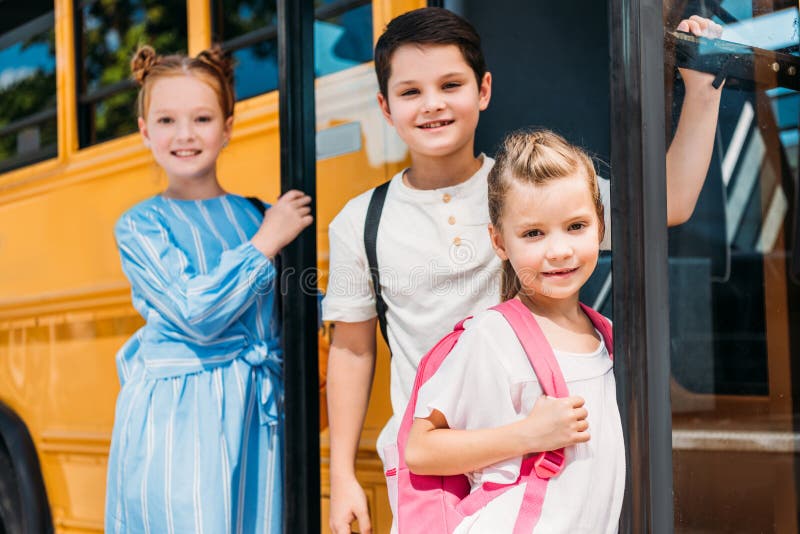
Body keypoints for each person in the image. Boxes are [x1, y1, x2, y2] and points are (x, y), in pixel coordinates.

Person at [324, 8, 722, 533]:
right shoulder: (360, 221)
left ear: (483, 89)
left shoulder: (529, 193)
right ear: (384, 105)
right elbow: (352, 350)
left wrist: (703, 90)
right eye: (410, 92)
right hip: (439, 472)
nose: (433, 104)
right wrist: (345, 473)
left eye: (451, 84)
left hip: (545, 465)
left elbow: (665, 203)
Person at [105, 45, 312, 533]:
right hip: (180, 419)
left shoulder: (260, 213)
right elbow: (195, 312)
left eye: (201, 118)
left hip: (256, 410)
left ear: (228, 127)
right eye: (166, 120)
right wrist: (265, 244)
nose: (184, 135)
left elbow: (294, 308)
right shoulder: (141, 226)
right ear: (144, 132)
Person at [405, 129, 620, 532]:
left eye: (576, 226)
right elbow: (420, 448)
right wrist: (528, 435)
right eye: (533, 234)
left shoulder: (607, 335)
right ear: (499, 241)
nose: (558, 250)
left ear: (600, 224)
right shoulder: (492, 336)